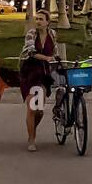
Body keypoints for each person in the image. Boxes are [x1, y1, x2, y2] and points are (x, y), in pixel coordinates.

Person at [19, 9, 58, 151]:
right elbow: (31, 52)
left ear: (48, 22)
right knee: (31, 106)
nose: (38, 22)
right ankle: (31, 139)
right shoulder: (31, 34)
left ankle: (32, 129)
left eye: (41, 19)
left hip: (45, 73)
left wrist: (56, 61)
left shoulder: (52, 34)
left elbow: (55, 52)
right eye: (37, 19)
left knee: (39, 110)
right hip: (30, 72)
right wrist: (46, 58)